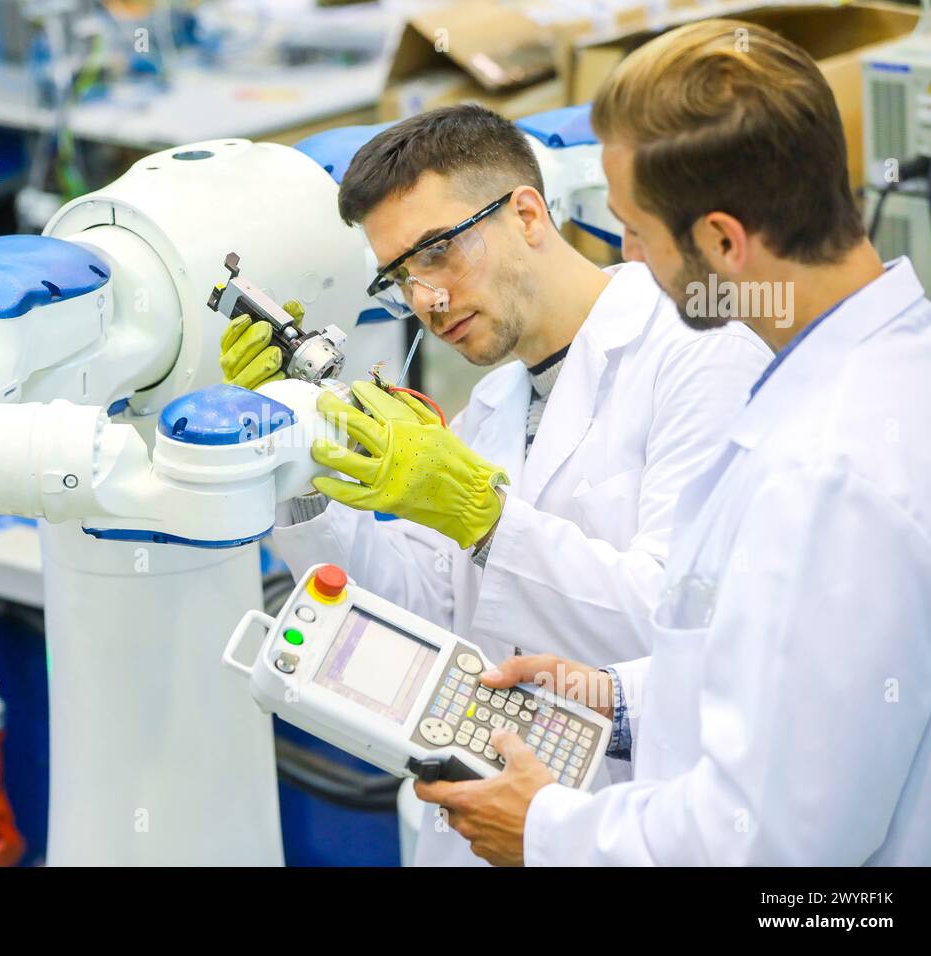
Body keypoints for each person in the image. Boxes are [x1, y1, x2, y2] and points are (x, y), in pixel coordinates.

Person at [414, 19, 931, 865]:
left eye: (634, 230)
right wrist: (617, 698)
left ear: (724, 241)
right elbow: (787, 679)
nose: (625, 256)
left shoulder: (833, 476)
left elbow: (771, 845)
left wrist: (547, 829)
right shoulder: (896, 363)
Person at [219, 104, 771, 866]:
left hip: (620, 822)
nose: (426, 300)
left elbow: (672, 637)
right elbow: (417, 616)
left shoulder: (699, 357)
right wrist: (298, 465)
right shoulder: (493, 407)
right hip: (478, 818)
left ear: (527, 212)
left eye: (440, 252)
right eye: (400, 276)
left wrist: (485, 519)